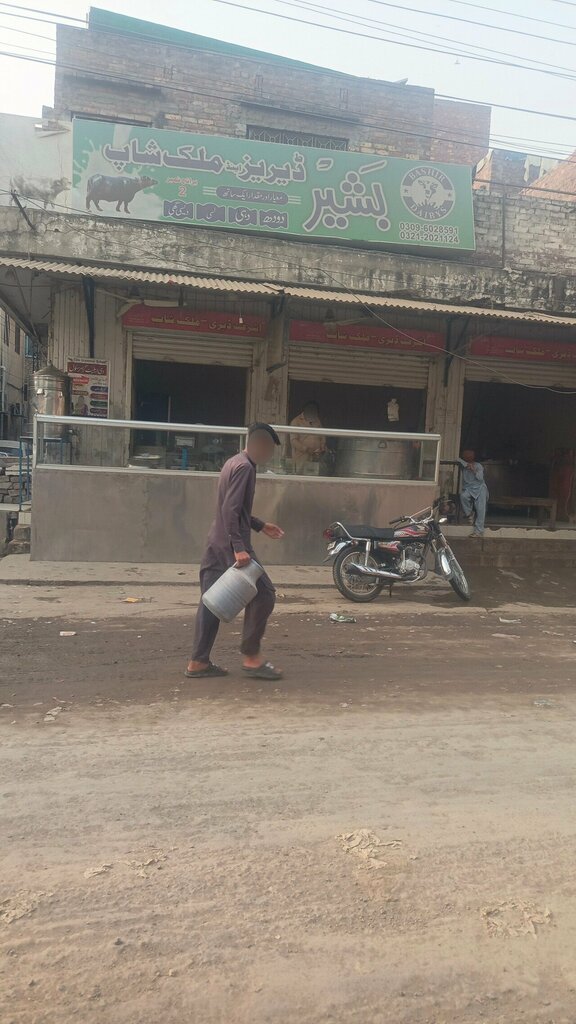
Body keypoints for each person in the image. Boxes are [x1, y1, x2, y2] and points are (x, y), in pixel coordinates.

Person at [185, 423, 285, 681]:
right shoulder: (245, 468)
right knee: (264, 595)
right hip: (231, 545)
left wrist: (261, 526)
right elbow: (230, 510)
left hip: (215, 542)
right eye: (269, 449)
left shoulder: (234, 462)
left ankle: (198, 661)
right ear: (259, 444)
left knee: (211, 601)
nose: (268, 454)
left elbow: (234, 509)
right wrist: (239, 548)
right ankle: (251, 658)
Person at [458, 449, 489, 538]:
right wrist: (467, 465)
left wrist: (473, 470)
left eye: (469, 455)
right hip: (469, 489)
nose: (467, 456)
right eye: (465, 455)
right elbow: (457, 459)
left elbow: (480, 478)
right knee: (463, 496)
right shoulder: (463, 465)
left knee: (480, 510)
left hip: (480, 489)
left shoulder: (478, 466)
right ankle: (469, 513)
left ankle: (479, 531)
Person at [290, 401, 326, 473]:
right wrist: (306, 449)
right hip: (302, 456)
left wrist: (322, 447)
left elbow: (322, 435)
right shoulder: (296, 421)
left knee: (314, 476)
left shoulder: (317, 420)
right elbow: (294, 440)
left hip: (316, 456)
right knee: (301, 477)